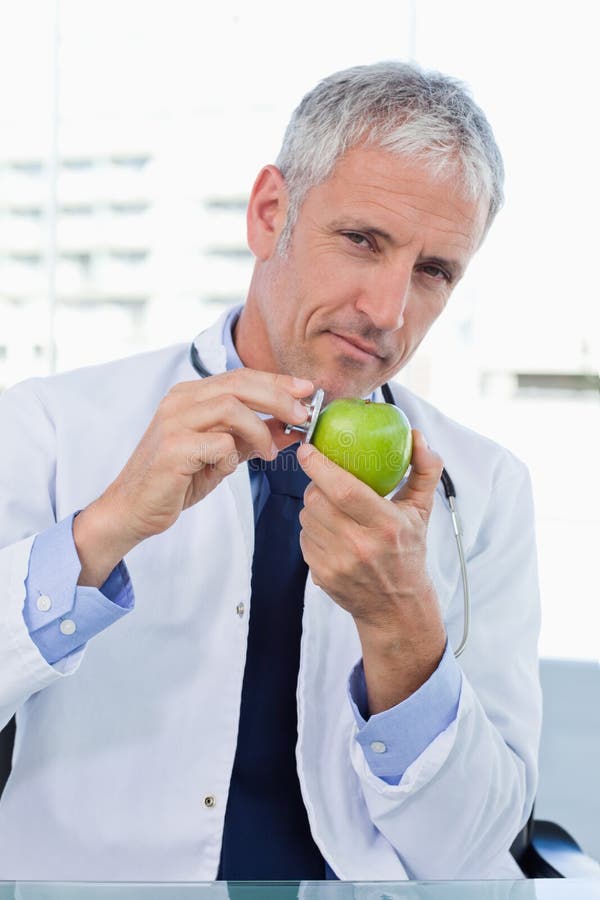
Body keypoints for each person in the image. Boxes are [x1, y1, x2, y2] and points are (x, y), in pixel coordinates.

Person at [0, 62, 541, 882]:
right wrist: (102, 530)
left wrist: (403, 633)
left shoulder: (487, 487)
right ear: (270, 215)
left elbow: (474, 851)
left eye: (434, 272)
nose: (389, 311)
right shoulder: (53, 424)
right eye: (363, 240)